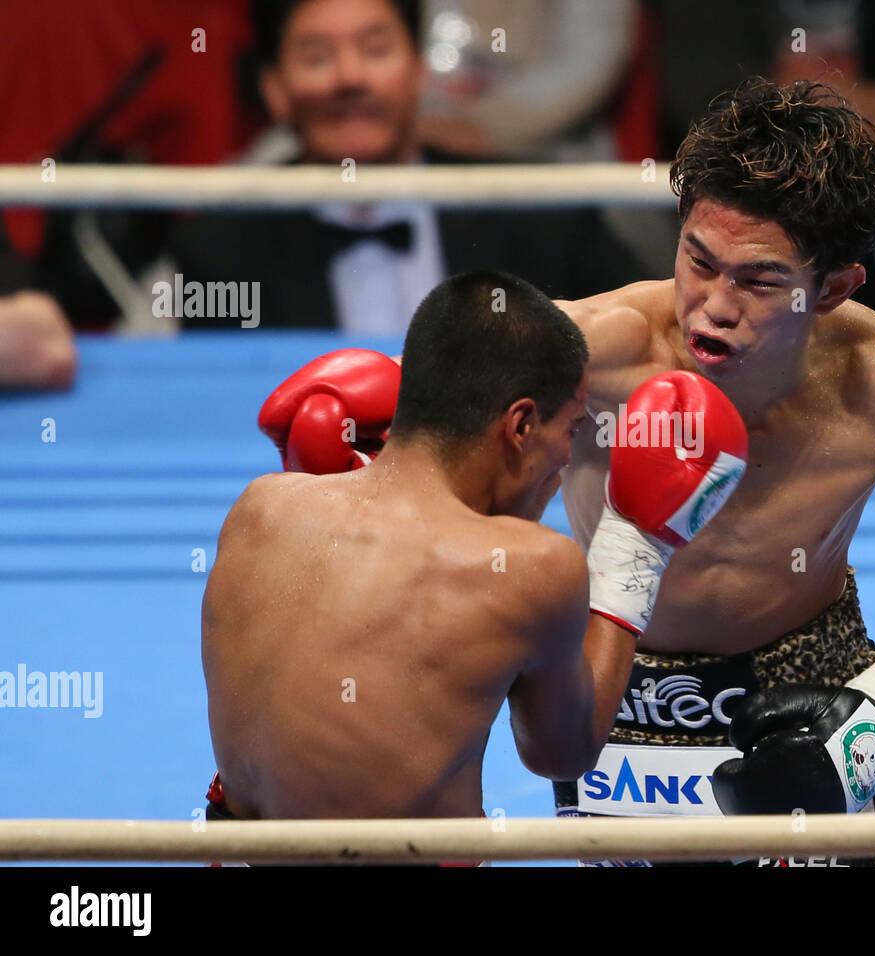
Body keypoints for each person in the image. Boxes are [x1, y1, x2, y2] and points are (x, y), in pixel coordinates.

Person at [262, 79, 875, 866]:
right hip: (615, 685)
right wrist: (352, 456)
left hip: (809, 681)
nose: (713, 306)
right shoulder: (589, 351)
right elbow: (425, 437)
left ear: (833, 288)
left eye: (759, 281)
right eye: (699, 260)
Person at [202, 272, 747, 831]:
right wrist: (636, 545)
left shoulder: (257, 508)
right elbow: (564, 753)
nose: (566, 462)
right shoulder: (532, 567)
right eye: (574, 428)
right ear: (521, 424)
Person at [170, 0, 640, 333]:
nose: (350, 77)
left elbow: (654, 331)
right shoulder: (223, 249)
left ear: (418, 70)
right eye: (318, 56)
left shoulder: (541, 217)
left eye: (375, 49)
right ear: (274, 90)